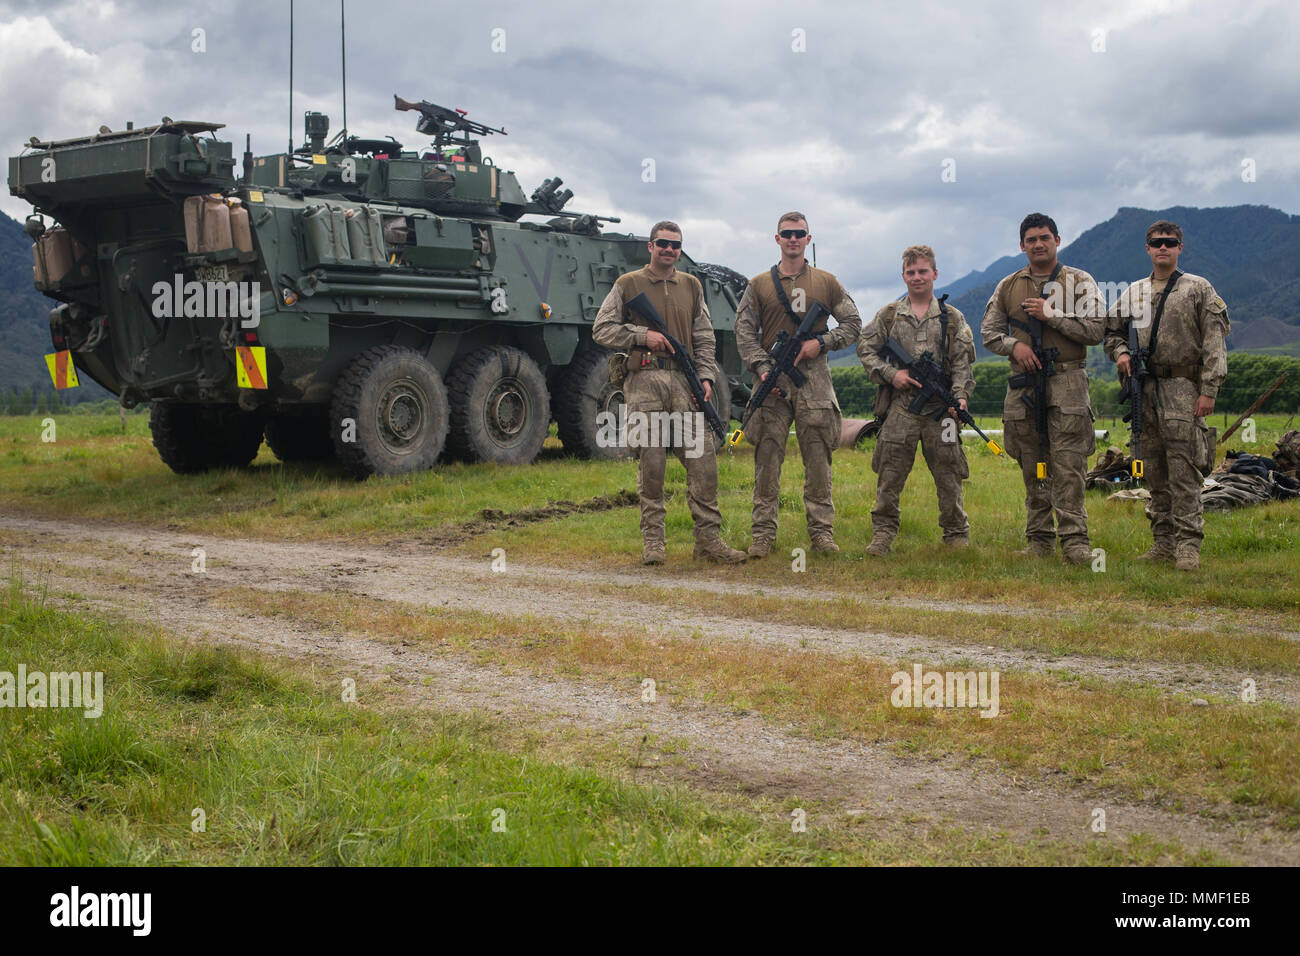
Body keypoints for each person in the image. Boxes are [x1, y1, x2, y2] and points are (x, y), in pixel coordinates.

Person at [591, 220, 747, 565]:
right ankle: (654, 544)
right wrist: (640, 336)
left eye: (676, 245)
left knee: (703, 462)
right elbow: (601, 328)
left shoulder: (691, 286)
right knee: (652, 464)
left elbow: (704, 336)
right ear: (651, 246)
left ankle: (708, 541)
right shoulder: (628, 284)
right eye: (663, 243)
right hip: (645, 381)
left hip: (684, 381)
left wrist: (706, 377)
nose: (669, 250)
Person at [734, 211, 861, 556]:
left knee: (818, 458)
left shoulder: (827, 282)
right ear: (777, 239)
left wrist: (819, 344)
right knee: (766, 458)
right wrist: (761, 367)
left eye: (799, 234)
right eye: (786, 233)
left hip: (814, 378)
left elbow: (852, 323)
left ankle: (821, 534)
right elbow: (743, 332)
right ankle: (762, 535)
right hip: (772, 379)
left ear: (808, 238)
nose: (793, 239)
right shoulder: (758, 284)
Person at [1104, 220, 1229, 571]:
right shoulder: (1134, 292)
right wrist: (1121, 354)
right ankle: (1163, 542)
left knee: (1184, 469)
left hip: (1183, 389)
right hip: (1144, 389)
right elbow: (1111, 332)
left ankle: (1188, 545)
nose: (1163, 248)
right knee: (1153, 469)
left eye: (1170, 243)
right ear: (1147, 248)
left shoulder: (1198, 289)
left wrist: (1209, 390)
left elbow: (1214, 343)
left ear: (1179, 248)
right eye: (1156, 242)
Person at [981, 213, 1105, 565]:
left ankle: (1075, 541)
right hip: (1024, 387)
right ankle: (1038, 538)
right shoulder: (1008, 286)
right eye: (1031, 239)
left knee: (1069, 466)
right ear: (1022, 245)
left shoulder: (1079, 282)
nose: (1038, 244)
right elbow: (989, 333)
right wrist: (1014, 347)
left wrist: (1053, 318)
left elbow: (1097, 331)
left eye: (1045, 238)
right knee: (1034, 465)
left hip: (1067, 383)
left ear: (1057, 241)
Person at [858, 245, 976, 554]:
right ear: (903, 276)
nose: (917, 277)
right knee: (890, 472)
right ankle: (883, 534)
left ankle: (955, 534)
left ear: (935, 274)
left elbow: (963, 363)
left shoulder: (951, 317)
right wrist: (890, 374)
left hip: (942, 412)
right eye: (910, 272)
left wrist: (960, 398)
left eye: (923, 271)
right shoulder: (889, 315)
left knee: (949, 471)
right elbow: (865, 348)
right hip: (902, 407)